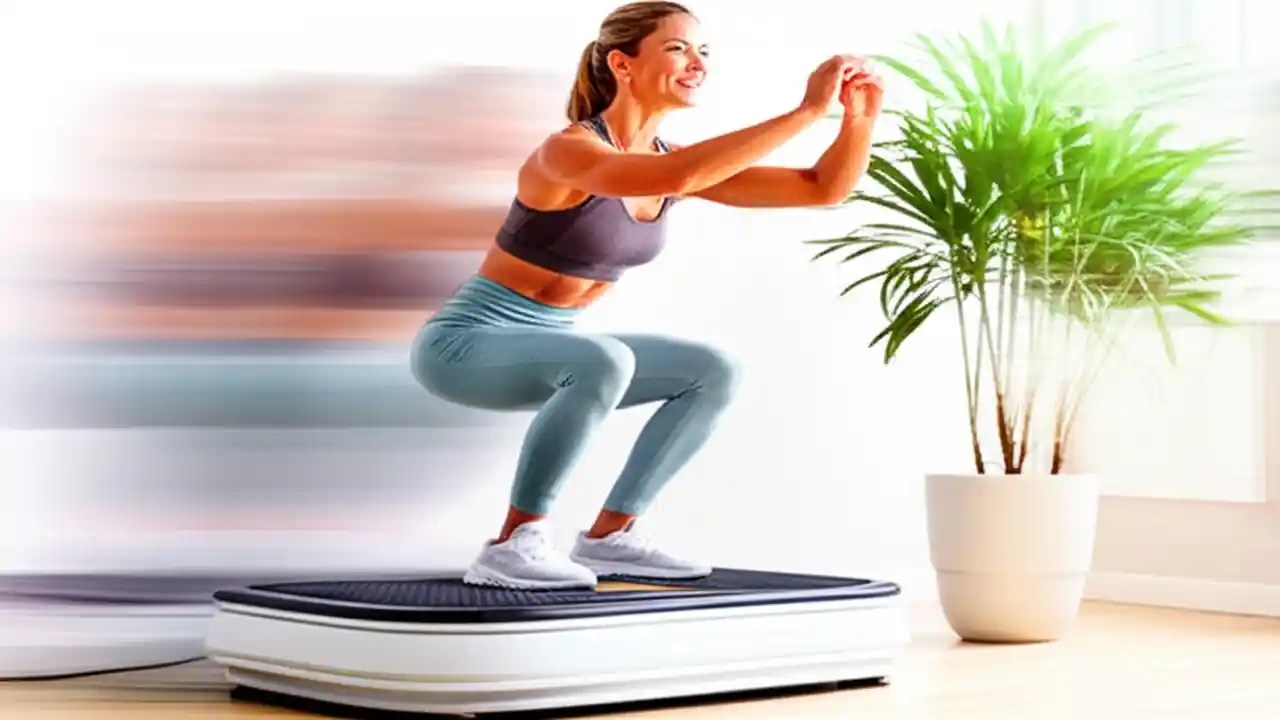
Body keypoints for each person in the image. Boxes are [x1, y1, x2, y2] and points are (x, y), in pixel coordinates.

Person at [410, 0, 883, 589]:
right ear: (623, 64)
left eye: (704, 52)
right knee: (605, 357)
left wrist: (855, 119)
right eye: (679, 48)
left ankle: (611, 536)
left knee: (712, 370)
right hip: (466, 346)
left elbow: (821, 189)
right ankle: (512, 546)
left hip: (554, 351)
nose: (697, 63)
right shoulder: (569, 151)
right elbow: (678, 178)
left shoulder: (672, 160)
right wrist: (808, 110)